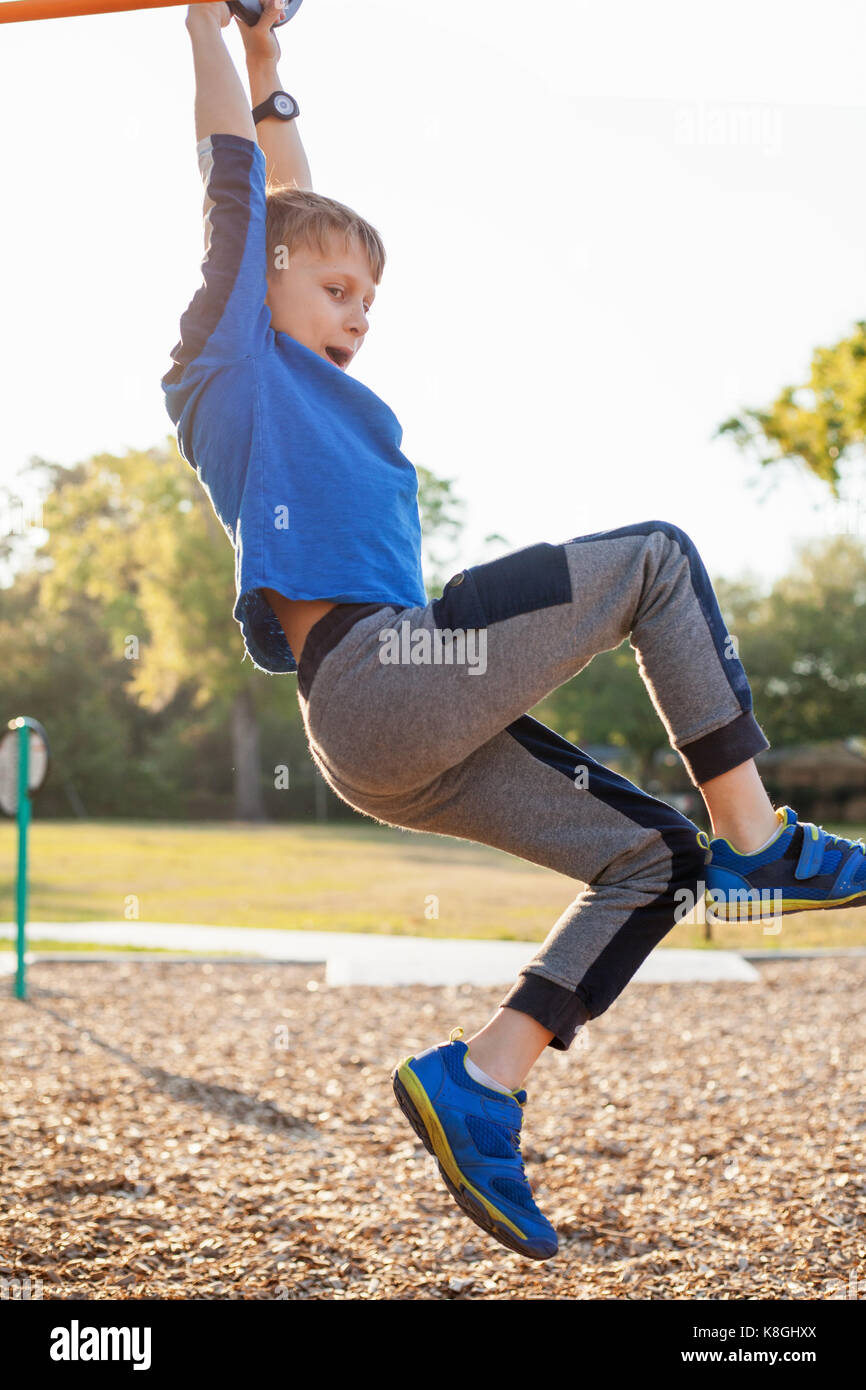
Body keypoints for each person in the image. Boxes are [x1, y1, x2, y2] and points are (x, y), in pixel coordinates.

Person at [163, 1, 866, 1262]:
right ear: (260, 286)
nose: (359, 310)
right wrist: (203, 21)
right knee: (654, 560)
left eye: (369, 296)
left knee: (655, 858)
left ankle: (480, 1082)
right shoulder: (230, 371)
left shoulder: (316, 375)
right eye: (335, 288)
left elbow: (292, 214)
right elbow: (241, 198)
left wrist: (274, 63)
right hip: (381, 676)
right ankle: (759, 839)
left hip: (398, 728)